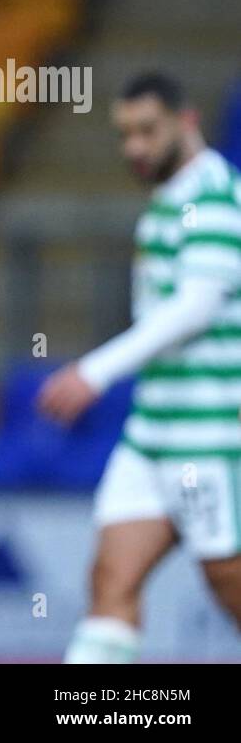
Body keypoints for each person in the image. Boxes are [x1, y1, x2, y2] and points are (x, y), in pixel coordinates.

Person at [39, 72, 241, 662]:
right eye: (125, 134)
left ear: (187, 121)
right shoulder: (167, 202)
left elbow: (196, 307)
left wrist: (94, 371)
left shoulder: (215, 196)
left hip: (211, 438)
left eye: (147, 131)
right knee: (111, 580)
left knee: (226, 584)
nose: (135, 148)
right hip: (150, 438)